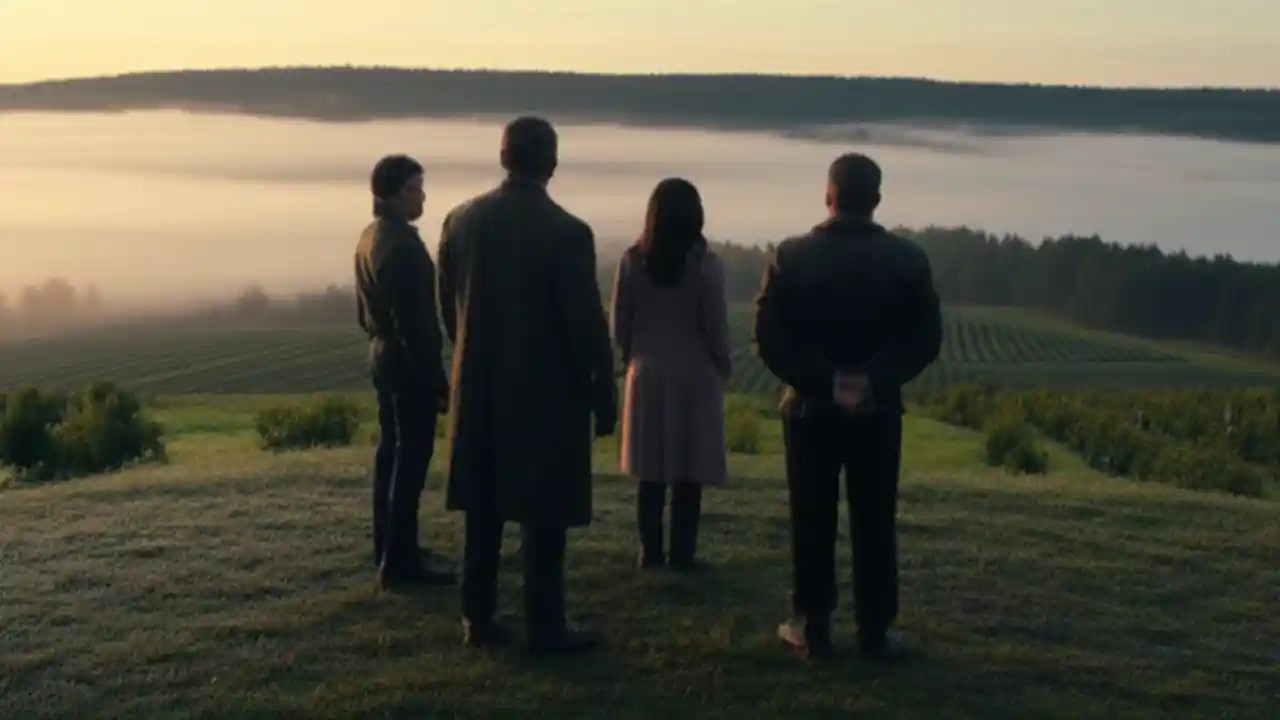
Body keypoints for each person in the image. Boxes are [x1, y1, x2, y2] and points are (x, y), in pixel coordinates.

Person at [437, 117, 617, 656]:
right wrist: (604, 396)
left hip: (478, 386)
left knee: (483, 509)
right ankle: (545, 624)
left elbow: (448, 306)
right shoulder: (567, 232)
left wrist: (468, 355)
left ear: (502, 156)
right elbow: (586, 325)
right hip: (546, 394)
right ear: (552, 163)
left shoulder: (459, 220)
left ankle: (478, 616)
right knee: (545, 517)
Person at [754, 153, 942, 661]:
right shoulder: (909, 260)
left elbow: (770, 339)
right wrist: (869, 381)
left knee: (810, 516)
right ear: (876, 200)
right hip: (878, 411)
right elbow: (925, 340)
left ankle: (812, 625)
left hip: (809, 410)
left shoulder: (791, 256)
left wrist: (825, 382)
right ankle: (875, 630)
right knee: (875, 518)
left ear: (828, 195)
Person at [611, 178, 731, 570]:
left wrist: (633, 357)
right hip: (695, 375)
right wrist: (721, 362)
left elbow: (620, 323)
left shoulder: (631, 261)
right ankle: (683, 553)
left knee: (651, 473)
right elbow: (714, 324)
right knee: (688, 473)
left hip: (645, 375)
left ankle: (649, 551)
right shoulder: (706, 265)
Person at [354, 154, 455, 590]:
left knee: (390, 454)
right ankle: (400, 562)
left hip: (380, 355)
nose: (423, 196)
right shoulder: (402, 247)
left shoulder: (369, 236)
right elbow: (418, 326)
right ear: (396, 193)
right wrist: (437, 382)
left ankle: (392, 546)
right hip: (406, 364)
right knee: (410, 462)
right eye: (416, 188)